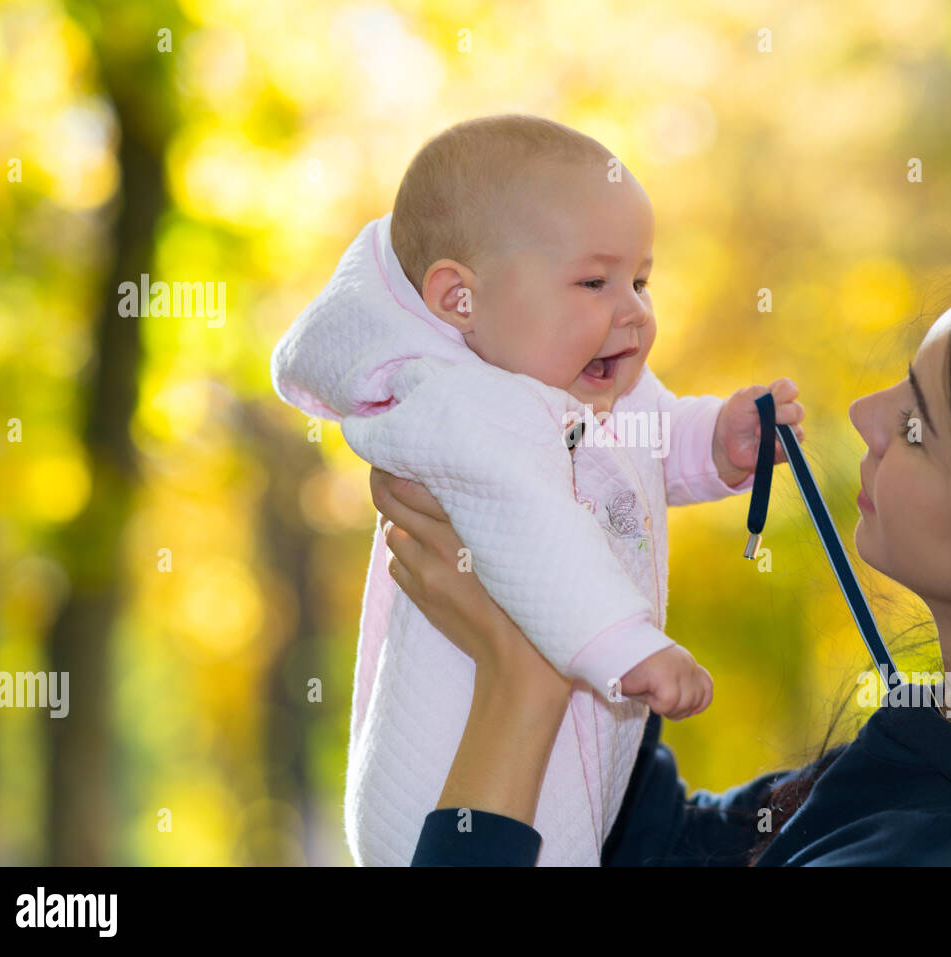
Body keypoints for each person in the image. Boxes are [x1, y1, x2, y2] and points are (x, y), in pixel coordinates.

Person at [372, 242, 951, 866]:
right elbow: (671, 850)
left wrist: (521, 689)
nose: (866, 418)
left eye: (917, 426)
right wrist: (586, 538)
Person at [269, 113, 804, 865]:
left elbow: (648, 437)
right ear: (460, 298)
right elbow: (535, 533)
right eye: (594, 280)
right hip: (449, 787)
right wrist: (627, 646)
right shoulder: (461, 409)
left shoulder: (572, 380)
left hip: (568, 766)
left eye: (641, 280)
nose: (634, 312)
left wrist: (717, 442)